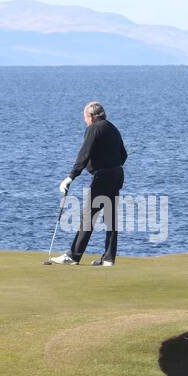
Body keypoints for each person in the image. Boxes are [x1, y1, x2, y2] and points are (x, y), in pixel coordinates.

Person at [50, 101, 127, 266]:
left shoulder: (93, 129)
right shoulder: (113, 128)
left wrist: (71, 177)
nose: (85, 121)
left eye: (85, 117)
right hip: (117, 175)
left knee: (88, 217)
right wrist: (110, 164)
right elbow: (123, 155)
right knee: (111, 218)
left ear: (91, 116)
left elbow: (83, 155)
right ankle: (108, 258)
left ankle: (73, 256)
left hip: (103, 177)